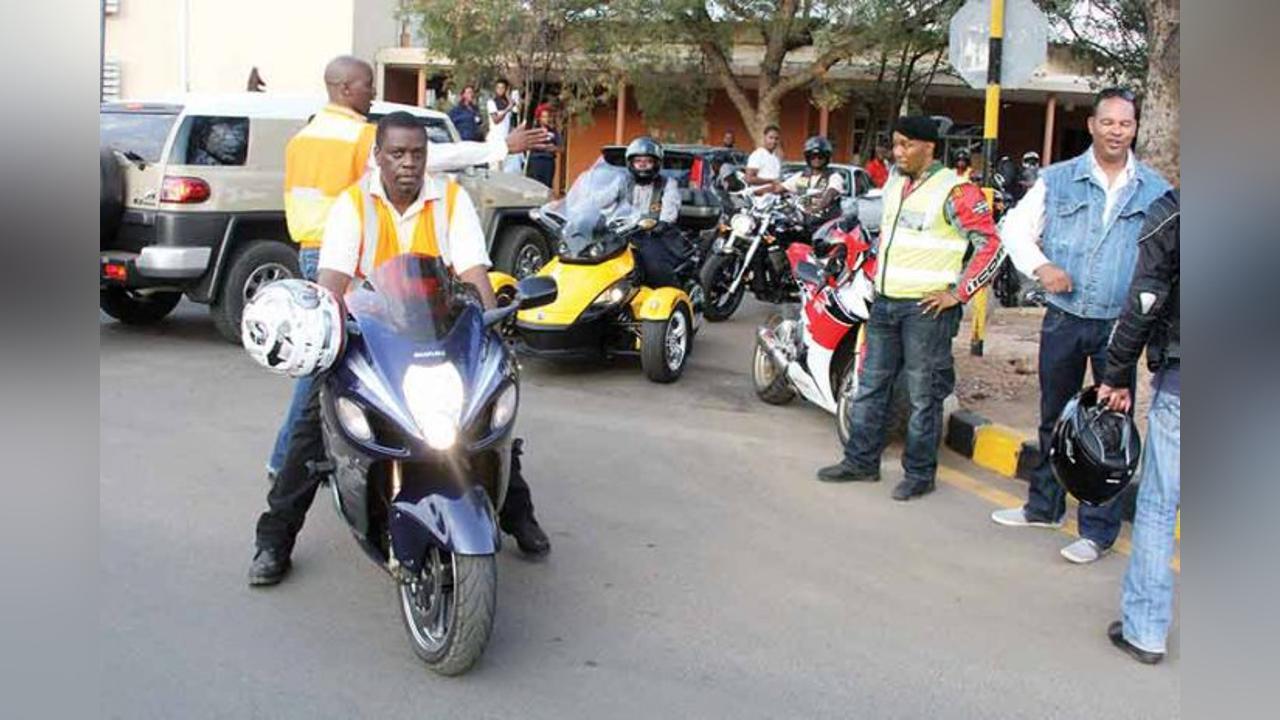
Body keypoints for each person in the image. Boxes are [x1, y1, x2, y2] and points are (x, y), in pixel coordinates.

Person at [250, 113, 553, 586]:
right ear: (378, 156)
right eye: (397, 154)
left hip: (438, 332)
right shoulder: (354, 205)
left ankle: (518, 513)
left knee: (481, 420)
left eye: (417, 154)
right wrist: (327, 325)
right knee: (312, 426)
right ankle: (274, 541)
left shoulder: (451, 200)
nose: (408, 163)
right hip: (369, 334)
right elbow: (332, 278)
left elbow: (473, 270)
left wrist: (489, 328)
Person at [990, 87, 1172, 564]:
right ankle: (1043, 506)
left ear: (1135, 129)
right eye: (1108, 122)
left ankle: (1097, 531)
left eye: (1125, 124)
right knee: (1055, 415)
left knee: (1109, 428)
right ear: (1092, 125)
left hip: (1120, 328)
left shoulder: (1155, 191)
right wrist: (1041, 267)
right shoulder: (1059, 179)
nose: (1116, 131)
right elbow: (1013, 227)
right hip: (1065, 319)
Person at [816, 116, 1005, 501]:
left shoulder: (956, 191)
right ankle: (861, 462)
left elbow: (992, 246)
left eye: (906, 145)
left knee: (922, 395)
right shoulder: (895, 184)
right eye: (896, 144)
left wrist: (959, 293)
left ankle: (919, 473)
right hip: (884, 302)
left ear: (930, 148)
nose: (898, 152)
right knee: (870, 386)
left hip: (926, 311)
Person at [1098, 188, 1179, 664]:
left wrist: (1116, 370)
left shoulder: (1173, 212)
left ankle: (1146, 631)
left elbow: (1147, 297)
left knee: (1158, 506)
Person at [618, 136, 688, 288]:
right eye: (638, 161)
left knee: (654, 266)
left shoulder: (668, 183)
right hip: (626, 233)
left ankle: (673, 297)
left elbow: (671, 205)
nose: (642, 165)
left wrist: (662, 222)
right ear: (631, 163)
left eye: (648, 161)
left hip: (658, 235)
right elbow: (604, 201)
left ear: (656, 164)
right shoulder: (623, 182)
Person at [772, 135, 845, 227]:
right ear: (808, 157)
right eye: (813, 156)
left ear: (827, 158)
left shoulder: (834, 177)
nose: (817, 159)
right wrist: (754, 191)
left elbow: (830, 194)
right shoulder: (801, 177)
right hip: (803, 224)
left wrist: (818, 207)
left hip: (825, 226)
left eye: (821, 156)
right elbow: (778, 189)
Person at [486, 78, 523, 173]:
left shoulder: (508, 103)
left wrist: (511, 100)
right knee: (495, 169)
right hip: (495, 140)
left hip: (506, 140)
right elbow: (496, 120)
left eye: (502, 88)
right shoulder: (492, 102)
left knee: (507, 169)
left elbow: (517, 112)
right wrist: (507, 109)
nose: (500, 90)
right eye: (498, 88)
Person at [525, 106, 561, 189]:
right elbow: (529, 144)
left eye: (548, 116)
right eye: (544, 117)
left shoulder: (553, 132)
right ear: (539, 118)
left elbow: (560, 147)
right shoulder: (534, 131)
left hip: (549, 162)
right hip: (536, 161)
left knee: (547, 186)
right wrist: (543, 146)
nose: (547, 119)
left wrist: (553, 148)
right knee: (535, 185)